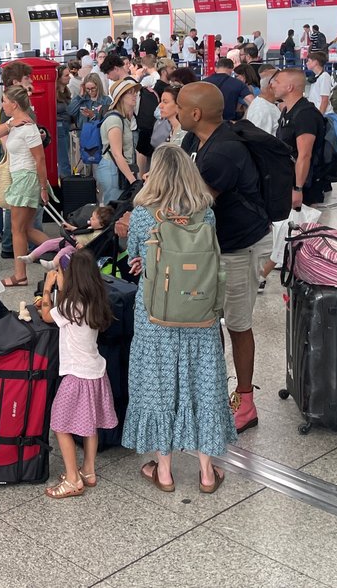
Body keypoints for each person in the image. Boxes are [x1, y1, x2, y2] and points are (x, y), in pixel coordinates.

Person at [122, 144, 235, 492]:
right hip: (200, 310)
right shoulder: (206, 213)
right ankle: (206, 472)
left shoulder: (143, 215)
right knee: (202, 382)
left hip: (156, 315)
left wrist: (142, 261)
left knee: (158, 384)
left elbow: (134, 255)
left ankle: (165, 471)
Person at [178, 82, 271, 432]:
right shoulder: (193, 141)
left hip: (238, 247)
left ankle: (245, 401)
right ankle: (214, 390)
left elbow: (195, 204)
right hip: (212, 245)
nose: (174, 111)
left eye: (180, 106)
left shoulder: (224, 151)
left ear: (196, 113)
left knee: (237, 323)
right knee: (208, 319)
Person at [35, 255, 117, 499]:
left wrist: (48, 288)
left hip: (76, 376)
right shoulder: (96, 301)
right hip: (96, 372)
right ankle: (88, 471)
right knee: (90, 425)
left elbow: (46, 315)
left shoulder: (70, 305)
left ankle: (72, 479)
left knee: (60, 424)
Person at [0, 86, 51, 288]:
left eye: (4, 101)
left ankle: (20, 275)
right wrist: (10, 123)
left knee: (17, 229)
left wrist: (43, 187)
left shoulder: (29, 128)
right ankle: (64, 252)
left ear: (14, 104)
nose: (2, 104)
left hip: (26, 179)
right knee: (25, 229)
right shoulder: (15, 124)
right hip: (20, 178)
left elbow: (40, 159)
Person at [273, 68, 327, 208]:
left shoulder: (305, 114)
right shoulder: (287, 110)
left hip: (305, 187)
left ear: (289, 87)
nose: (273, 85)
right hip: (287, 180)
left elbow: (305, 154)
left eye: (277, 82)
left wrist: (298, 188)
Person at [20, 204, 115, 271]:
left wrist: (82, 247)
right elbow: (81, 231)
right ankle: (31, 256)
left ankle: (53, 264)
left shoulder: (98, 235)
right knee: (49, 243)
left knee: (64, 251)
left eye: (93, 219)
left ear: (101, 224)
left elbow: (92, 246)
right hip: (71, 239)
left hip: (76, 247)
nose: (90, 219)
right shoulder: (91, 227)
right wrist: (71, 228)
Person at [97, 80, 141, 204]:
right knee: (114, 208)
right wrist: (133, 180)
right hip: (113, 169)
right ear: (120, 97)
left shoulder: (122, 118)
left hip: (116, 169)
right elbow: (117, 154)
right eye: (130, 92)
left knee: (117, 207)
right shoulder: (114, 120)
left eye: (135, 92)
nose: (135, 95)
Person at [244, 69, 280, 135]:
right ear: (271, 86)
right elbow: (260, 139)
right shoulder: (263, 109)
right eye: (280, 82)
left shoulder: (265, 105)